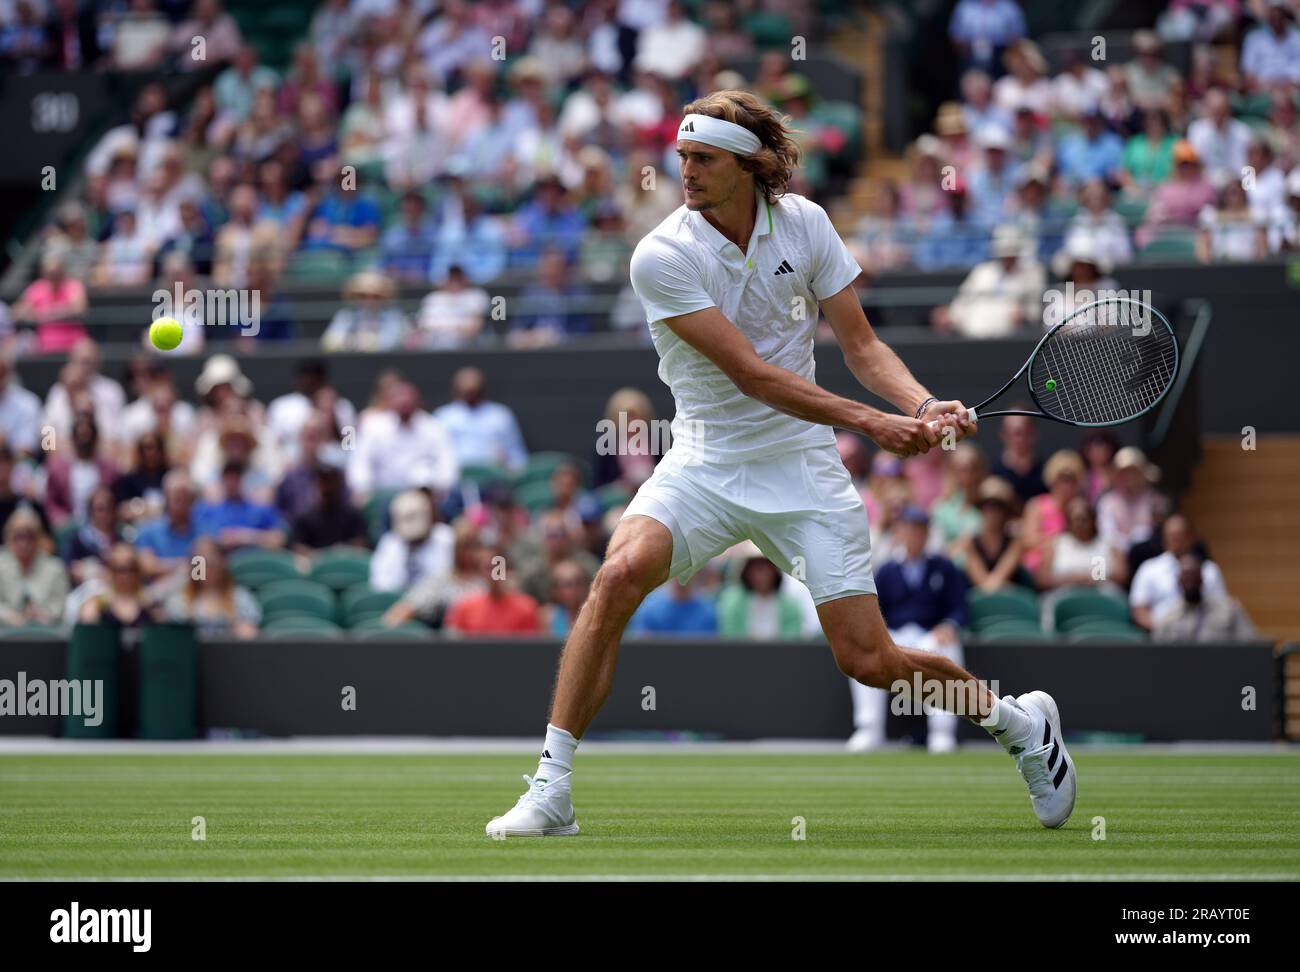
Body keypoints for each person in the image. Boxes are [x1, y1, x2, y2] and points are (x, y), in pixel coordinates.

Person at [486, 91, 1076, 839]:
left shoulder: (807, 225)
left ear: (750, 164)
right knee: (613, 576)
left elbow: (862, 348)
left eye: (703, 159)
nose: (686, 172)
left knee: (869, 660)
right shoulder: (662, 255)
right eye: (682, 158)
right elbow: (753, 376)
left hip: (801, 467)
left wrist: (922, 406)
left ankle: (1019, 725)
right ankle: (552, 790)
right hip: (704, 459)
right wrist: (874, 424)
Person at [847, 507, 969, 755]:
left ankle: (942, 731)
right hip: (894, 636)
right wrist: (880, 634)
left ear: (927, 533)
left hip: (931, 635)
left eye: (920, 528)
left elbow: (960, 608)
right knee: (863, 655)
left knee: (946, 648)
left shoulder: (945, 567)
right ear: (900, 532)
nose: (915, 534)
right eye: (909, 528)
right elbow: (874, 608)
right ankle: (869, 729)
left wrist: (948, 626)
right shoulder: (887, 570)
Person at [1129, 514, 1227, 631]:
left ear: (1191, 536)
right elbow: (1139, 609)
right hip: (1160, 637)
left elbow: (1221, 606)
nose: (1175, 541)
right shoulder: (1149, 569)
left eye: (1179, 536)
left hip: (1202, 638)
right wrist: (1162, 632)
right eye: (1170, 536)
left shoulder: (1209, 570)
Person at [432, 368, 528, 473]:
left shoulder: (500, 415)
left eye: (474, 391)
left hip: (494, 478)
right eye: (466, 391)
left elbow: (517, 456)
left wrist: (508, 464)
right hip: (454, 478)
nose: (470, 393)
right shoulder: (443, 416)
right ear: (455, 389)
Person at [163, 536, 260, 638]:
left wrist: (244, 631)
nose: (205, 569)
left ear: (222, 562)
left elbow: (249, 637)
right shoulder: (178, 601)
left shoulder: (240, 598)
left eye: (210, 563)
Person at [1151, 552, 1255, 642]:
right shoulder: (1168, 618)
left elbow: (1250, 643)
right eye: (1186, 577)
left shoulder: (1228, 610)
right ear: (1179, 582)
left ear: (1202, 579)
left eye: (1193, 576)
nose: (1190, 583)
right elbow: (1158, 653)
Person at [953, 475, 1029, 592]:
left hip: (1007, 605)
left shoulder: (1016, 542)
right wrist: (1006, 586)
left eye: (998, 506)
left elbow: (1000, 576)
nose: (992, 511)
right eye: (987, 505)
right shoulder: (970, 542)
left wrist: (1000, 585)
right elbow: (982, 582)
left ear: (1006, 511)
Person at [717, 542, 804, 639]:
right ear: (746, 570)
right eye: (755, 567)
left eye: (765, 566)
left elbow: (793, 641)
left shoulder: (790, 606)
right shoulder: (733, 602)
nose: (761, 573)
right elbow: (731, 638)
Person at [0, 507, 68, 628]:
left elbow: (60, 606)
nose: (24, 543)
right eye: (18, 536)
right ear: (9, 537)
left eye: (29, 536)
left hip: (46, 635)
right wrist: (12, 617)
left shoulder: (55, 568)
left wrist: (42, 615)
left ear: (38, 538)